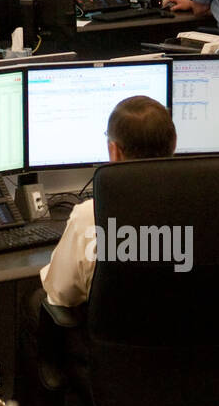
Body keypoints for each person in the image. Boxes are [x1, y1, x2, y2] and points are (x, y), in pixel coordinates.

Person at [39, 95, 178, 307]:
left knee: (32, 304)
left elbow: (63, 294)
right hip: (185, 333)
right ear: (174, 145)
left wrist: (49, 271)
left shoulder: (91, 214)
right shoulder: (202, 206)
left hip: (113, 336)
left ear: (114, 151)